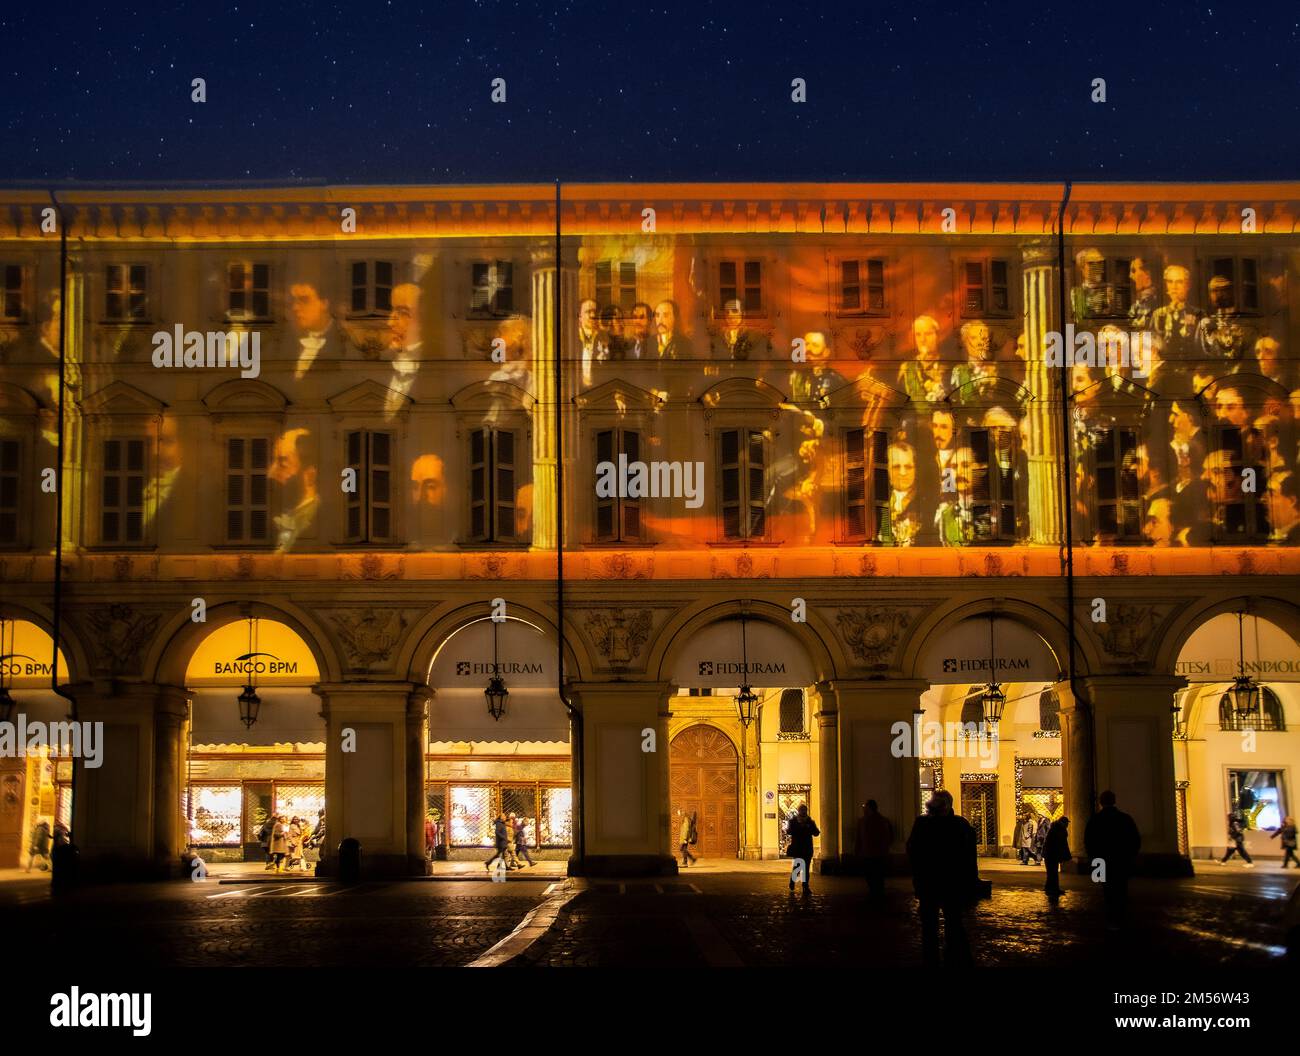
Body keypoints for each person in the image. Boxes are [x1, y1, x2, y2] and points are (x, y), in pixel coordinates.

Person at [906, 790, 976, 966]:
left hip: (935, 884)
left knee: (936, 925)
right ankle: (953, 957)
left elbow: (912, 852)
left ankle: (938, 958)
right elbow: (969, 858)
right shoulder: (960, 824)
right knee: (951, 923)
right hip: (948, 884)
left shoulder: (923, 824)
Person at [1084, 790, 1142, 929]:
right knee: (1122, 888)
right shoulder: (1125, 819)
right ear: (1114, 800)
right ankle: (1121, 916)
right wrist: (1130, 857)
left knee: (1107, 889)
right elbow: (1135, 840)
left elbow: (1089, 841)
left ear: (1101, 802)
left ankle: (1110, 918)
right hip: (1121, 861)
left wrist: (1093, 859)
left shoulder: (1096, 820)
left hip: (1102, 862)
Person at [854, 800, 893, 899]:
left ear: (869, 808)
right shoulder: (881, 820)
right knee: (875, 875)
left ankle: (876, 892)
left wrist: (858, 850)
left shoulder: (867, 821)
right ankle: (876, 892)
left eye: (864, 807)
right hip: (875, 853)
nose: (863, 809)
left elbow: (859, 838)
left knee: (874, 875)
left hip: (873, 853)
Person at [786, 803, 820, 894]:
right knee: (797, 867)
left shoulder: (810, 821)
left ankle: (805, 886)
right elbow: (789, 831)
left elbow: (816, 833)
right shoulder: (793, 821)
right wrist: (799, 827)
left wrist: (809, 827)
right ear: (798, 811)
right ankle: (792, 881)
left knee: (806, 868)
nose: (803, 812)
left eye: (805, 810)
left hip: (807, 848)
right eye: (802, 810)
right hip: (797, 848)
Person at [1042, 816, 1072, 904]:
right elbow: (1060, 845)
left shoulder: (1055, 829)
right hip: (1052, 854)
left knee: (1052, 872)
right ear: (1062, 823)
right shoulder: (1058, 830)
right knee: (1053, 872)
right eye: (1066, 823)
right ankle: (1053, 889)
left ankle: (1050, 888)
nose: (1067, 825)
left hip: (1050, 854)